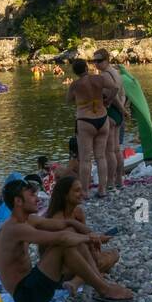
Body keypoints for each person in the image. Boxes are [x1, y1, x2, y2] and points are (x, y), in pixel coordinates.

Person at [0, 180, 131, 302]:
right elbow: (61, 238)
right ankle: (104, 289)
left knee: (71, 235)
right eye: (32, 195)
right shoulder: (16, 228)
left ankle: (102, 284)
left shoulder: (28, 220)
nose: (38, 199)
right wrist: (90, 238)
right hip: (26, 295)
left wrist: (91, 234)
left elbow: (64, 224)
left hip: (32, 284)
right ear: (18, 201)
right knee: (64, 245)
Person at [46, 176, 119, 273]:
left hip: (82, 255)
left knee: (114, 254)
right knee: (103, 260)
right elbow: (68, 244)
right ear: (65, 195)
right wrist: (97, 239)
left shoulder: (78, 212)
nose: (82, 194)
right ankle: (82, 278)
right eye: (77, 191)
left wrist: (96, 251)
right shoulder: (57, 219)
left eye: (82, 190)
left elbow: (86, 235)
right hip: (63, 263)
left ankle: (91, 272)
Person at [67, 58, 110, 198]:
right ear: (86, 67)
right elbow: (115, 87)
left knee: (85, 159)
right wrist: (107, 101)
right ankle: (103, 189)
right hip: (103, 118)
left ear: (75, 72)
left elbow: (68, 100)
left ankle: (85, 191)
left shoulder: (75, 85)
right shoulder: (99, 79)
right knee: (101, 156)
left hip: (85, 121)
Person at [92, 49, 126, 190]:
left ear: (106, 60)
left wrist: (112, 103)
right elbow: (122, 92)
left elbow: (116, 91)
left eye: (99, 61)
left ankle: (110, 182)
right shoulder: (115, 72)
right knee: (116, 150)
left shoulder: (106, 74)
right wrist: (122, 110)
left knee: (109, 151)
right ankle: (119, 180)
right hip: (117, 113)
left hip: (112, 112)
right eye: (94, 61)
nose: (96, 64)